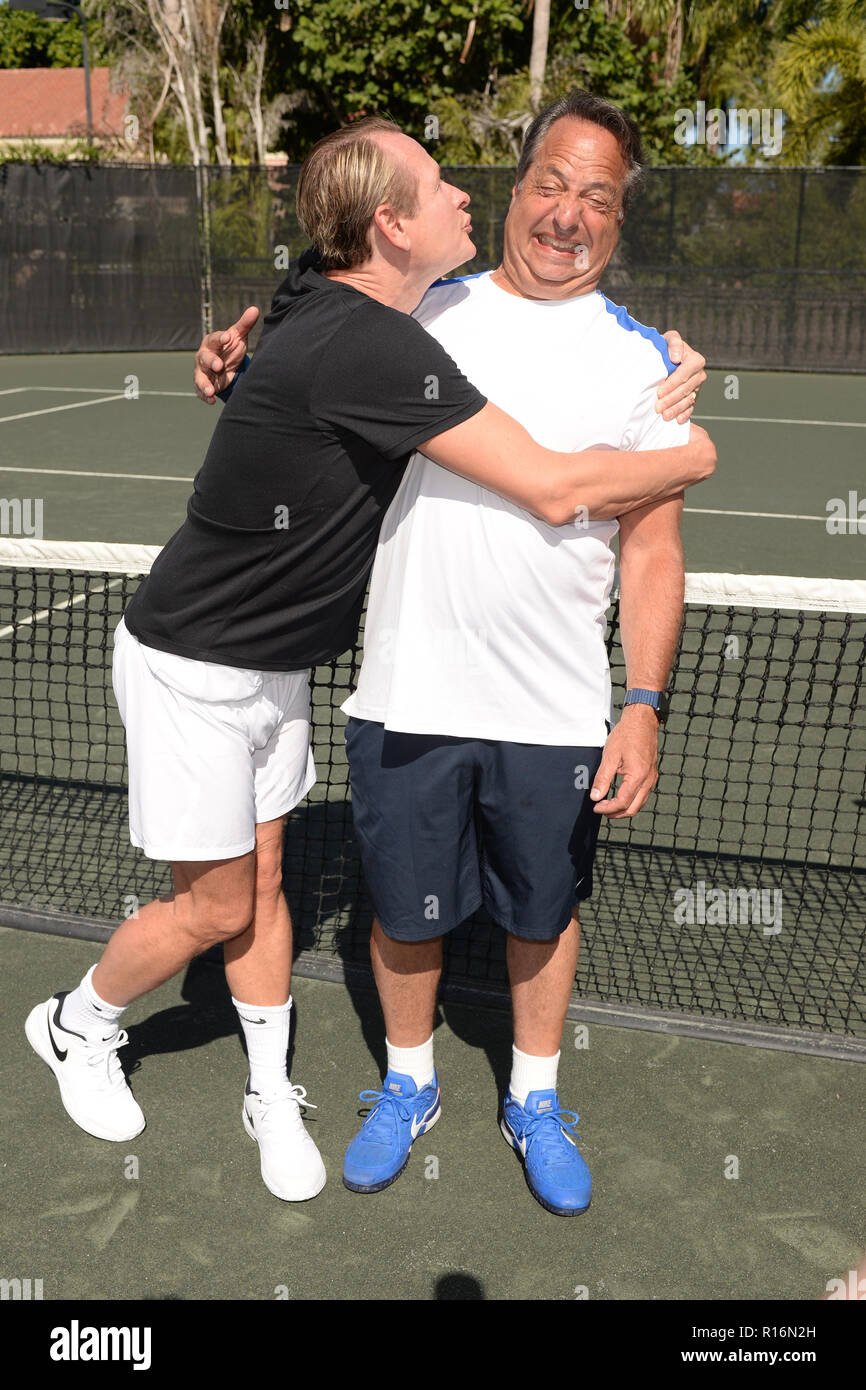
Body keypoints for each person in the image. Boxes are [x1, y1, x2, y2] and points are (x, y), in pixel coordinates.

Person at [24, 115, 713, 1207]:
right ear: (501, 187)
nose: (559, 214)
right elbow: (524, 472)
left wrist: (641, 701)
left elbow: (653, 548)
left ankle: (495, 1094)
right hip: (359, 683)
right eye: (542, 182)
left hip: (460, 693)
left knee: (506, 911)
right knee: (348, 906)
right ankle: (371, 1077)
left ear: (620, 217)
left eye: (597, 198)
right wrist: (700, 451)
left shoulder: (638, 361)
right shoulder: (409, 312)